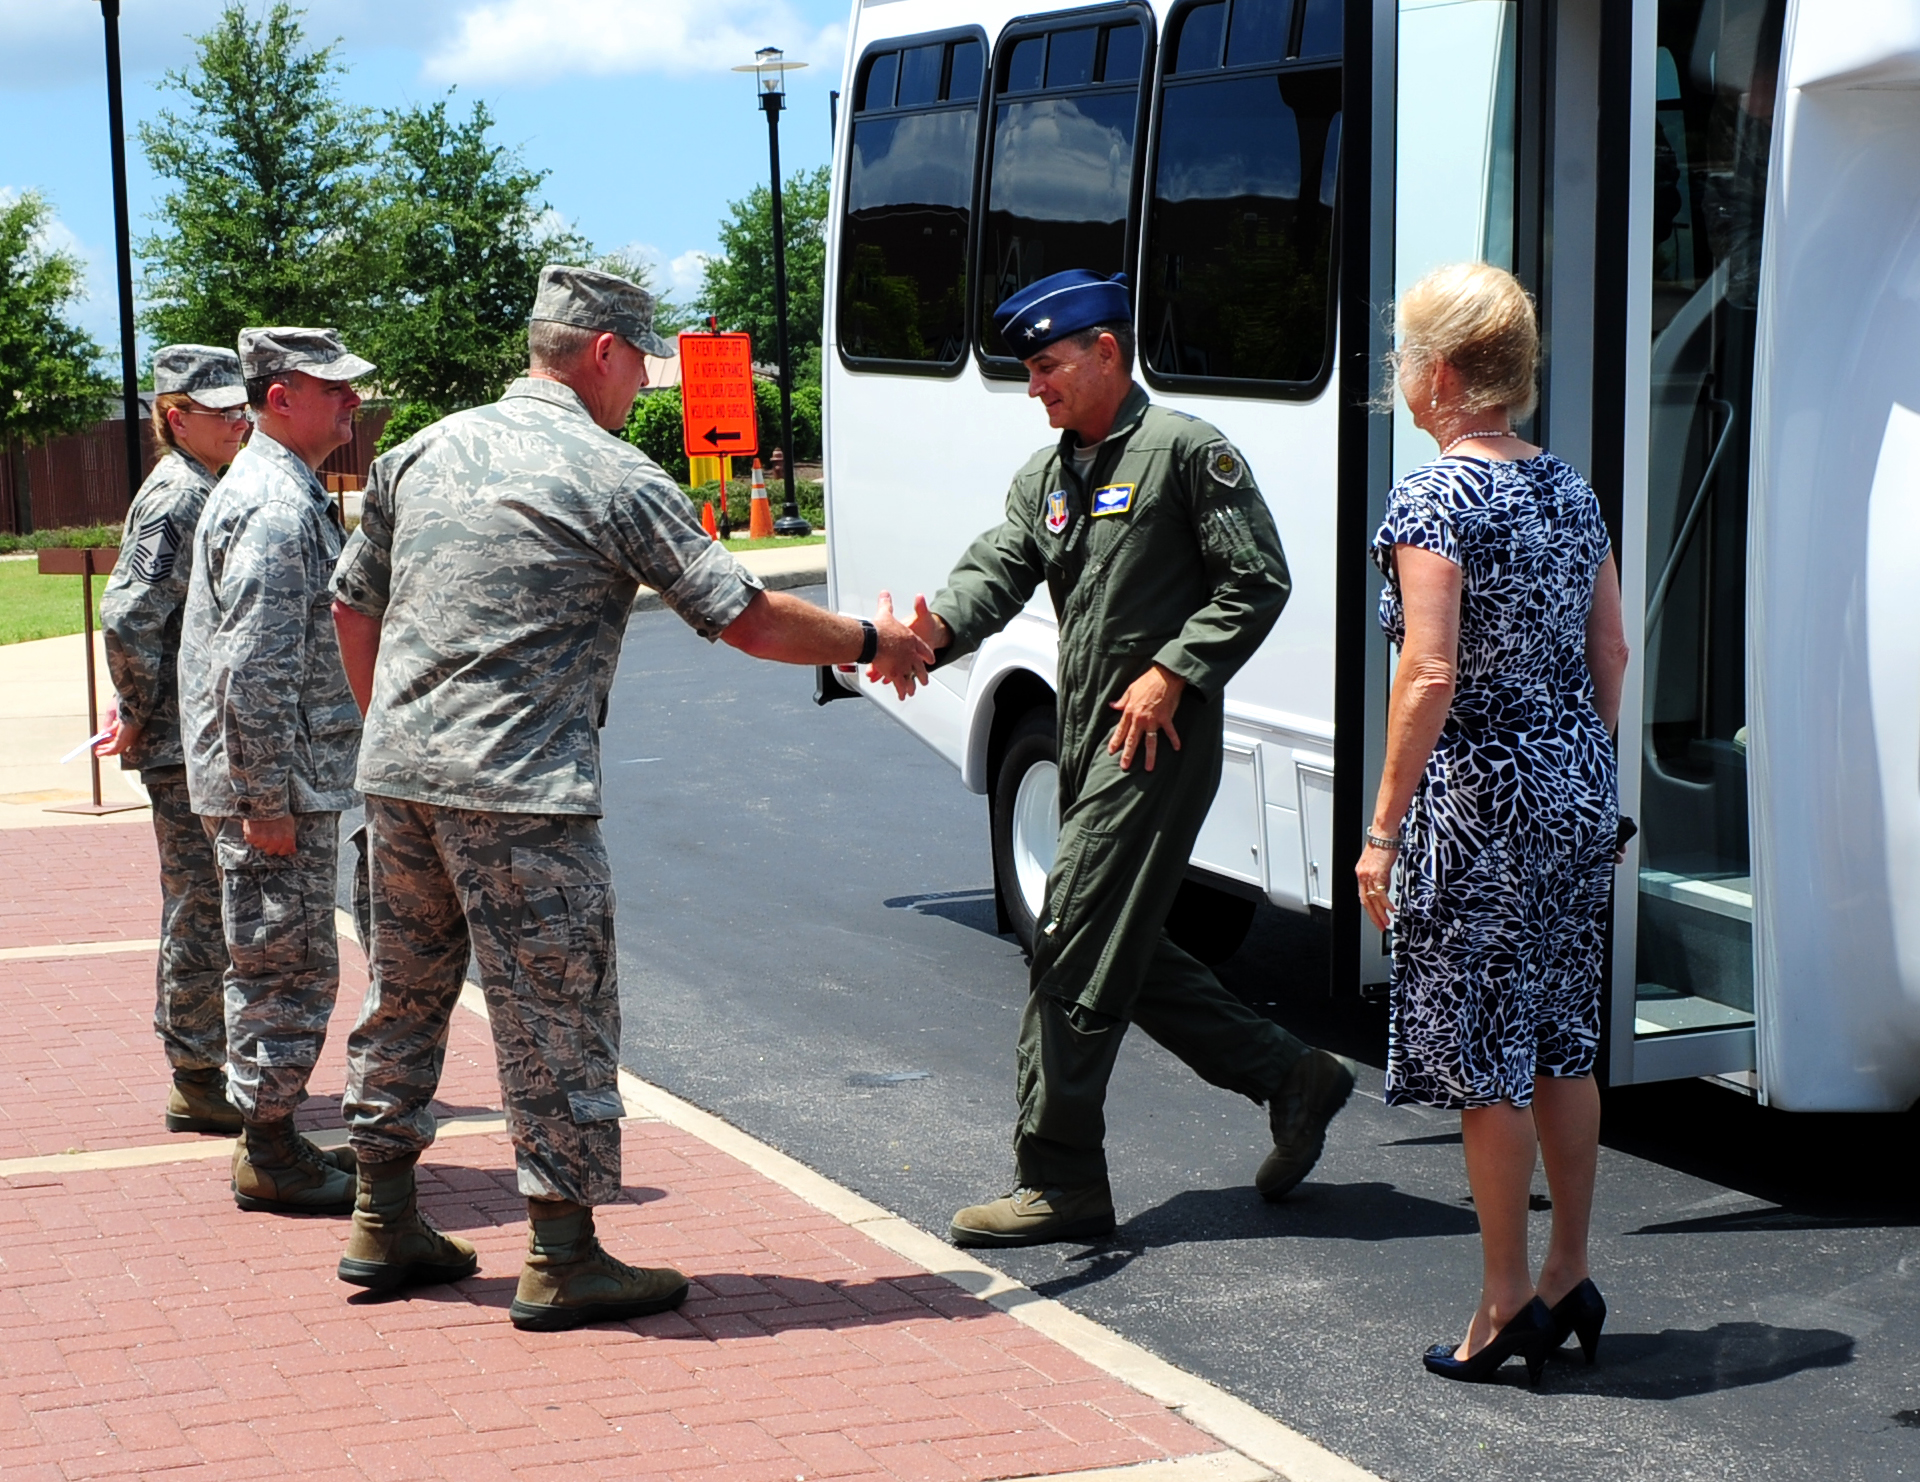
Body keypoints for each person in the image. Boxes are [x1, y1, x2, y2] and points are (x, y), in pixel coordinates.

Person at [327, 264, 934, 1330]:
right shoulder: (611, 473)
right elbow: (745, 618)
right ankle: (563, 1257)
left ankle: (381, 1219)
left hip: (398, 784)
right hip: (522, 792)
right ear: (602, 351)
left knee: (403, 996)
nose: (643, 383)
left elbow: (352, 605)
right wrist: (872, 640)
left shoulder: (420, 450)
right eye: (640, 363)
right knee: (553, 1015)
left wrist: (396, 731)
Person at [893, 268, 1358, 1248]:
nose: (1034, 388)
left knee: (1068, 934)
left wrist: (1174, 671)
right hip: (1085, 738)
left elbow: (1256, 580)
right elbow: (996, 571)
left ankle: (1060, 1177)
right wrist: (928, 636)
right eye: (1029, 372)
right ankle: (1292, 1076)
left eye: (1048, 367)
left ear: (1107, 352)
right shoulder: (1047, 476)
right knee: (1121, 946)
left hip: (1157, 739)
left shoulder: (1185, 451)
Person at [1355, 261, 1629, 1384]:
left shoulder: (1434, 497)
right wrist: (1577, 762)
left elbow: (1428, 672)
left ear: (1443, 374)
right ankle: (1568, 1272)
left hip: (1479, 804)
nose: (1399, 375)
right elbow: (1610, 648)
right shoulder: (1568, 486)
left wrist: (1383, 829)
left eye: (1405, 357)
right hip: (1573, 790)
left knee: (1487, 1055)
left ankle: (1505, 1301)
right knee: (1562, 1034)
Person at [178, 326, 377, 1216]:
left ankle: (273, 1137)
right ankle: (269, 1153)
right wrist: (264, 800)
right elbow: (254, 666)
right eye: (333, 388)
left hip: (280, 777)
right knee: (284, 968)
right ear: (280, 397)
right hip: (275, 785)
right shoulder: (274, 504)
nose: (352, 401)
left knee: (279, 960)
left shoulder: (279, 485)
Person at [97, 345, 252, 1134]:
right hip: (181, 744)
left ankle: (205, 1065)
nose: (237, 422)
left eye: (241, 408)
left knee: (210, 904)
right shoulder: (178, 496)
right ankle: (195, 1075)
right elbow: (130, 613)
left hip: (198, 738)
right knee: (201, 908)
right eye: (219, 412)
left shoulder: (206, 484)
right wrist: (137, 705)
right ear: (174, 417)